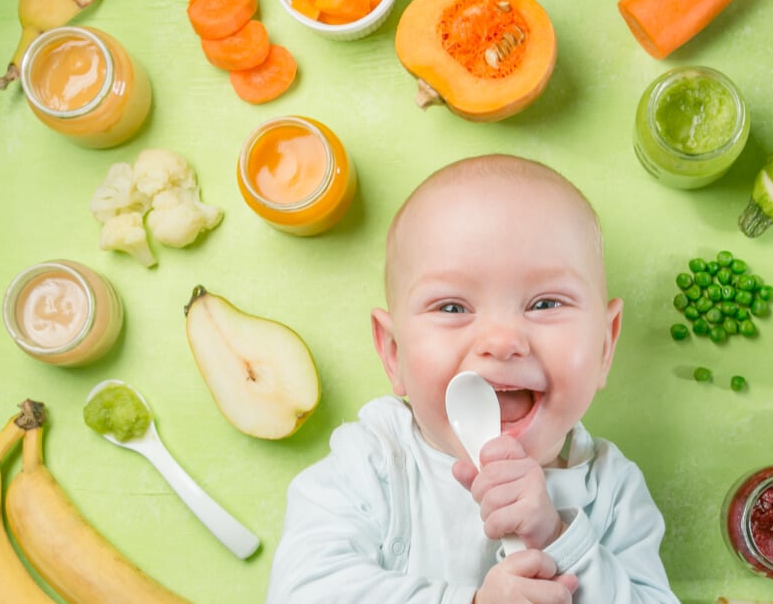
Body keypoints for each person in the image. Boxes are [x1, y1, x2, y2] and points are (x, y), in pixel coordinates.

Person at [267, 154, 678, 603]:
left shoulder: (612, 492)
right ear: (394, 353)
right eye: (452, 308)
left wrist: (557, 537)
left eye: (545, 304)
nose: (502, 341)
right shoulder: (369, 466)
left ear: (604, 346)